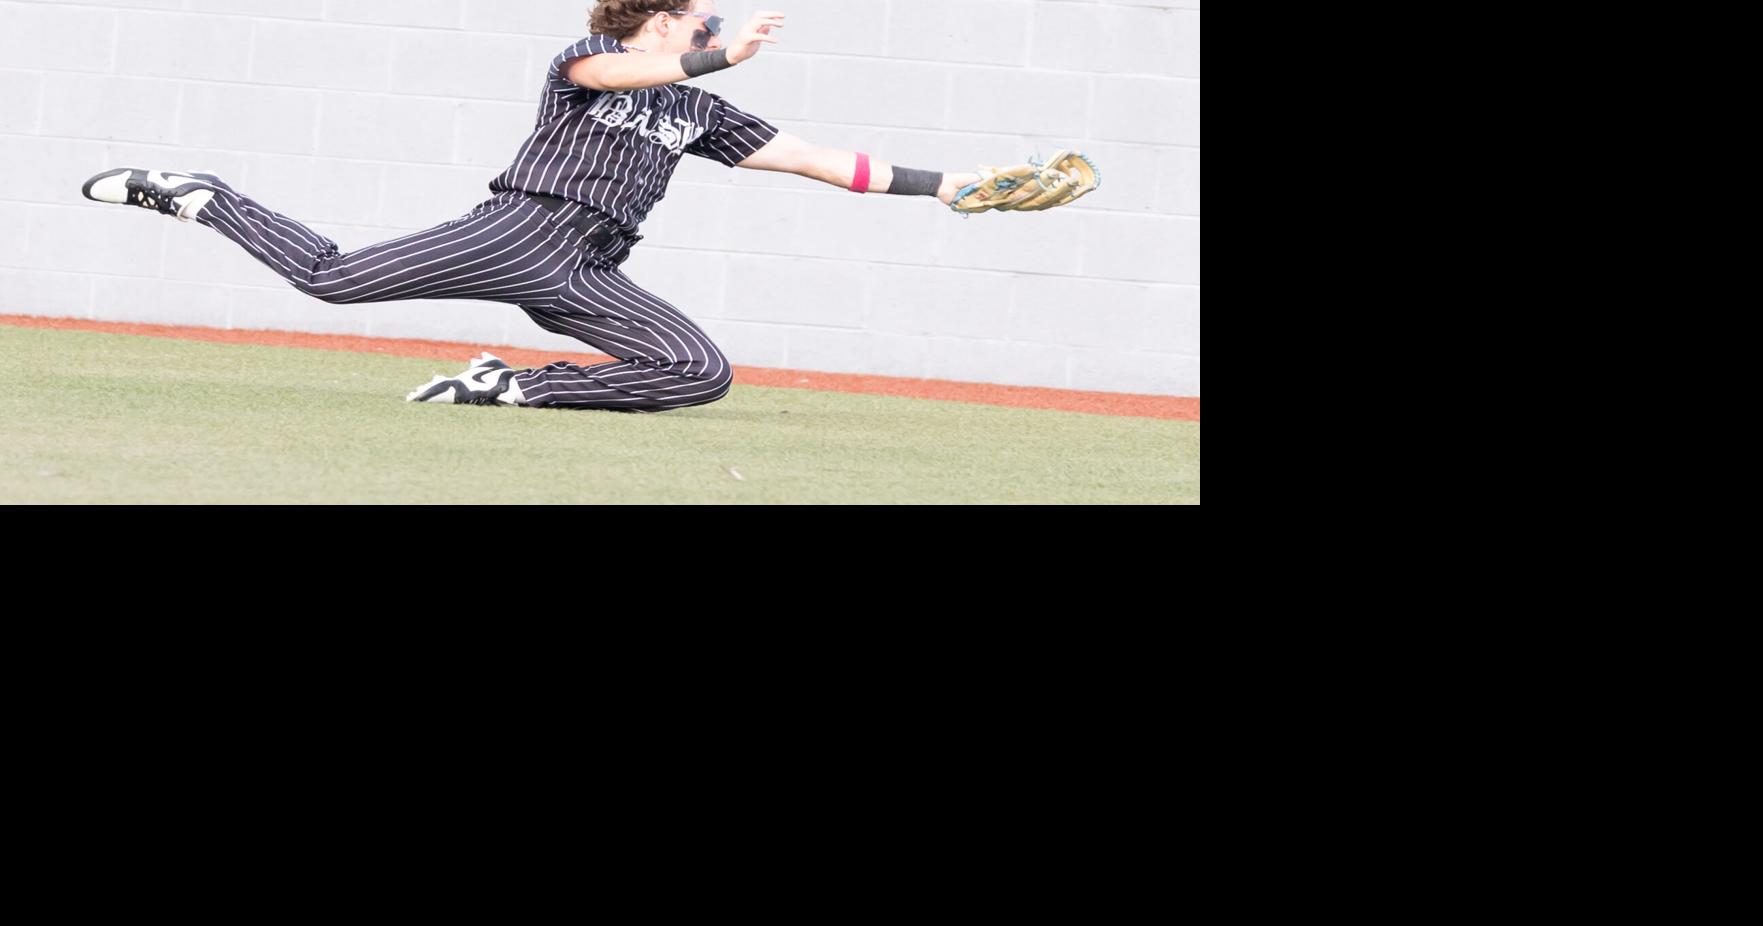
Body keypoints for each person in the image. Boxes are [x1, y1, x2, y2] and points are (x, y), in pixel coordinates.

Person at [80, 1, 983, 412]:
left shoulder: (701, 107)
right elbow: (621, 70)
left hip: (588, 266)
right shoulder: (586, 60)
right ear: (662, 20)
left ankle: (506, 384)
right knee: (333, 281)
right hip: (519, 233)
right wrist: (720, 56)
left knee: (699, 371)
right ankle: (202, 197)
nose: (715, 29)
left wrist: (949, 187)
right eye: (703, 21)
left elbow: (818, 160)